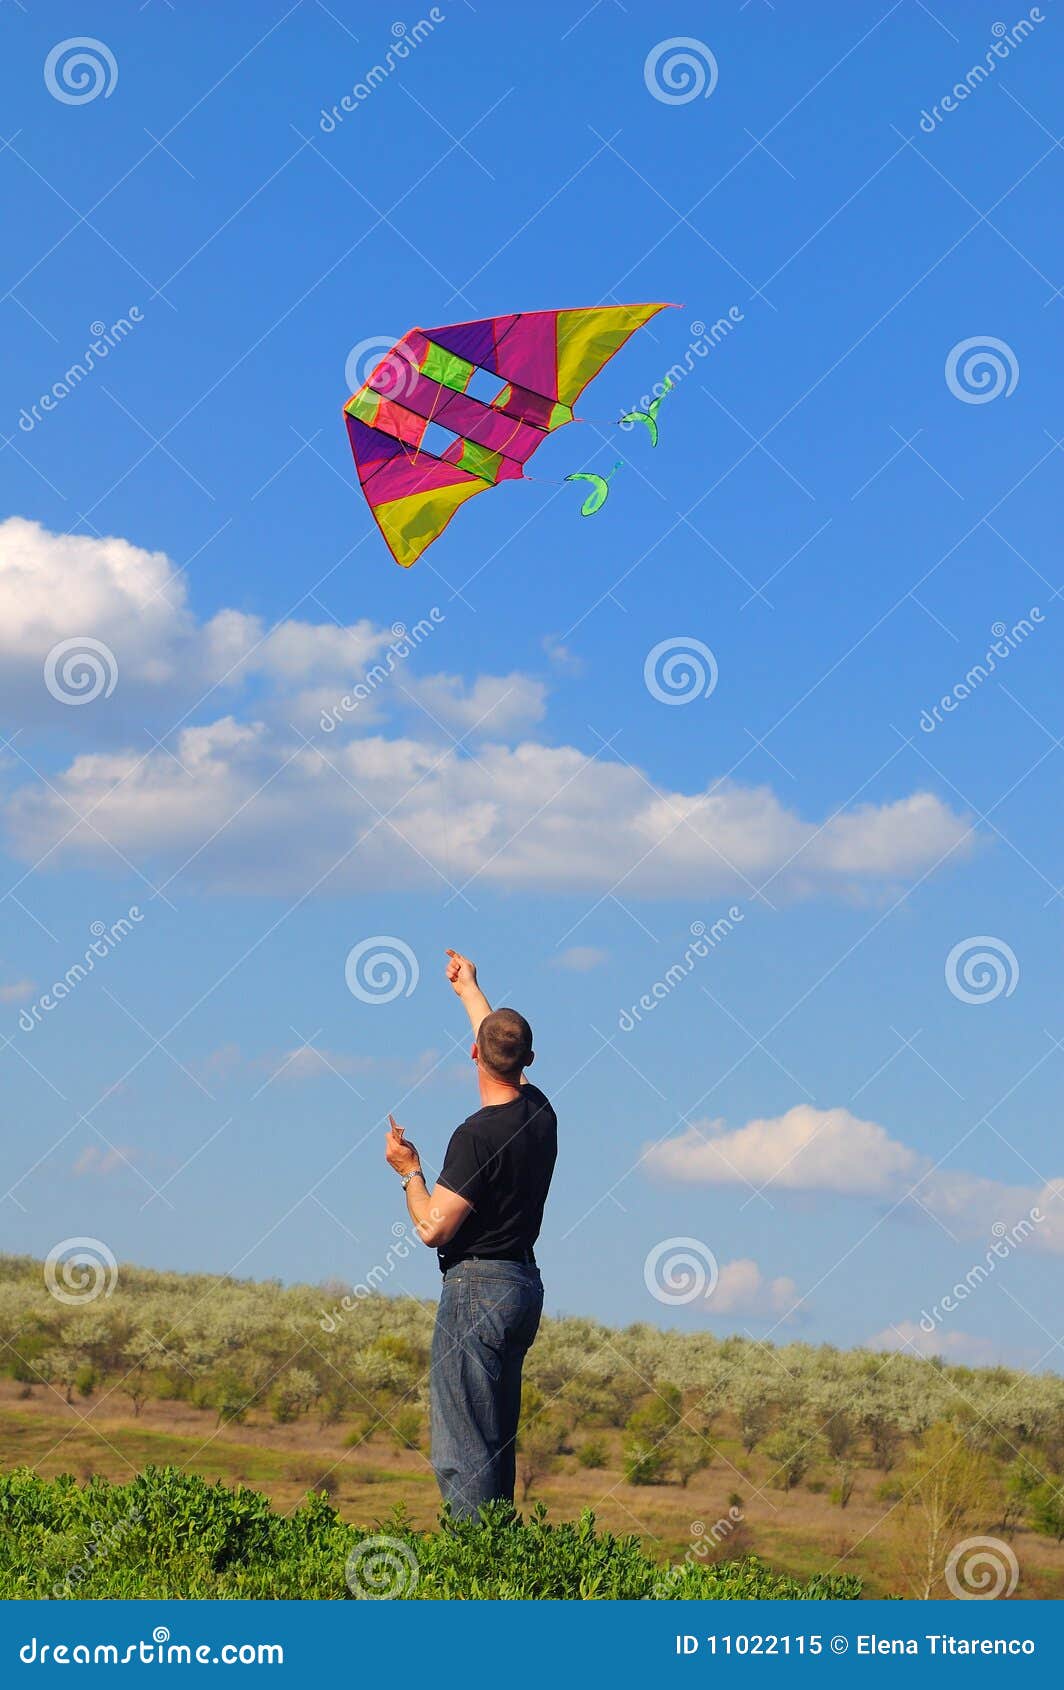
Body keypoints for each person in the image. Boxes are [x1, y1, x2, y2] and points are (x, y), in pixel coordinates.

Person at [384, 949, 557, 1519]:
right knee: (496, 1438)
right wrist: (468, 989)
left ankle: (472, 1573)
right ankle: (501, 1565)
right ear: (528, 1059)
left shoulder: (476, 1137)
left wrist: (409, 1171)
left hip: (476, 1289)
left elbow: (434, 1226)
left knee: (463, 1443)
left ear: (475, 1053)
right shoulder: (540, 1112)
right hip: (522, 1287)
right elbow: (502, 1046)